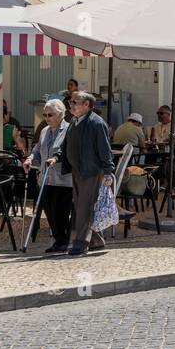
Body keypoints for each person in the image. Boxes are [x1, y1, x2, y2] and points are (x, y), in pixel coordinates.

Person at [57, 91, 114, 257]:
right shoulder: (73, 121)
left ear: (87, 105)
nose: (71, 104)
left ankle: (81, 244)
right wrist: (56, 157)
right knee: (81, 206)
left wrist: (108, 173)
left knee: (84, 208)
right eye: (70, 101)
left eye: (75, 102)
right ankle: (96, 240)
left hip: (91, 172)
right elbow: (65, 144)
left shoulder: (97, 124)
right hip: (77, 170)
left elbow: (105, 150)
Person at [27, 98, 72, 254]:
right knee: (49, 211)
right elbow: (37, 150)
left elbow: (68, 152)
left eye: (50, 115)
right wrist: (30, 159)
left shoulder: (69, 129)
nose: (46, 118)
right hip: (45, 177)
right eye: (44, 115)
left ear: (60, 114)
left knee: (59, 211)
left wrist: (56, 159)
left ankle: (62, 241)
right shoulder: (45, 131)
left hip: (63, 179)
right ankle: (58, 241)